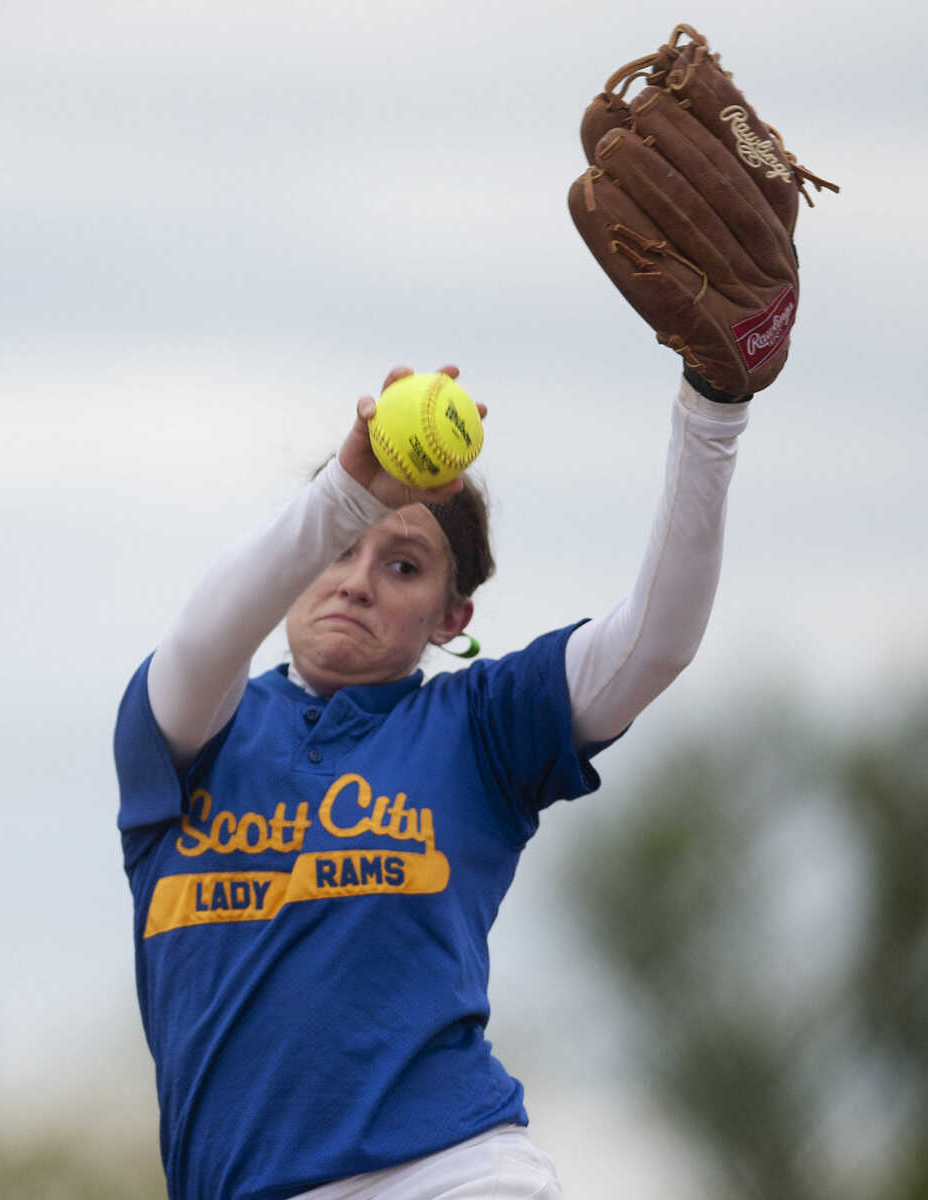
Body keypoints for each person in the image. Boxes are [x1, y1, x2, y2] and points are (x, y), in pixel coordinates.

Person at [114, 361, 749, 1200]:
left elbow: (655, 641)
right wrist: (346, 492)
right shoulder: (192, 727)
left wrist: (713, 412)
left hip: (447, 1170)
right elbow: (202, 638)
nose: (355, 580)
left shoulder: (478, 727)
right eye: (337, 550)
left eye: (403, 566)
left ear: (452, 619)